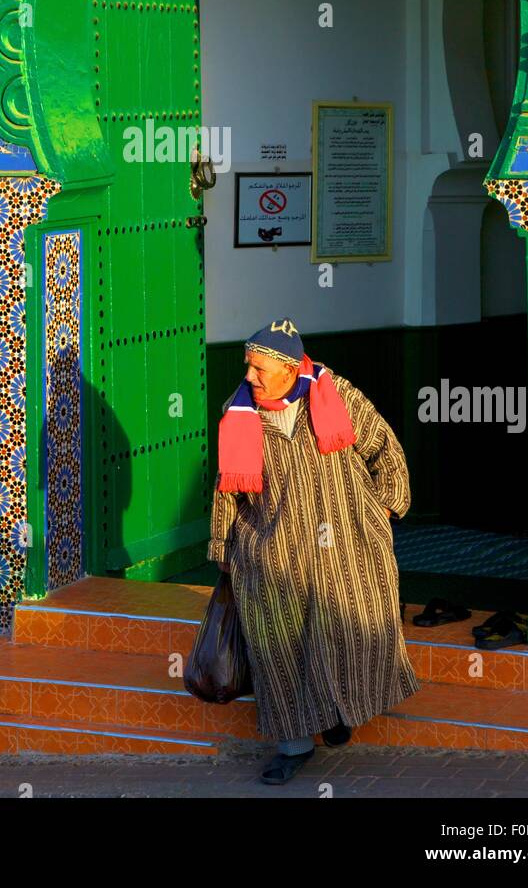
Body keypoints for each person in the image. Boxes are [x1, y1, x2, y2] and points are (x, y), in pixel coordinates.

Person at [207, 318, 421, 785]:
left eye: (260, 369)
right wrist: (223, 545)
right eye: (248, 366)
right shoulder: (239, 411)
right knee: (279, 649)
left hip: (345, 543)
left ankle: (341, 710)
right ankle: (293, 746)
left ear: (290, 368)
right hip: (273, 552)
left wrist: (385, 507)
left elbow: (384, 448)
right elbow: (227, 489)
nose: (249, 376)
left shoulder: (336, 393)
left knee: (347, 631)